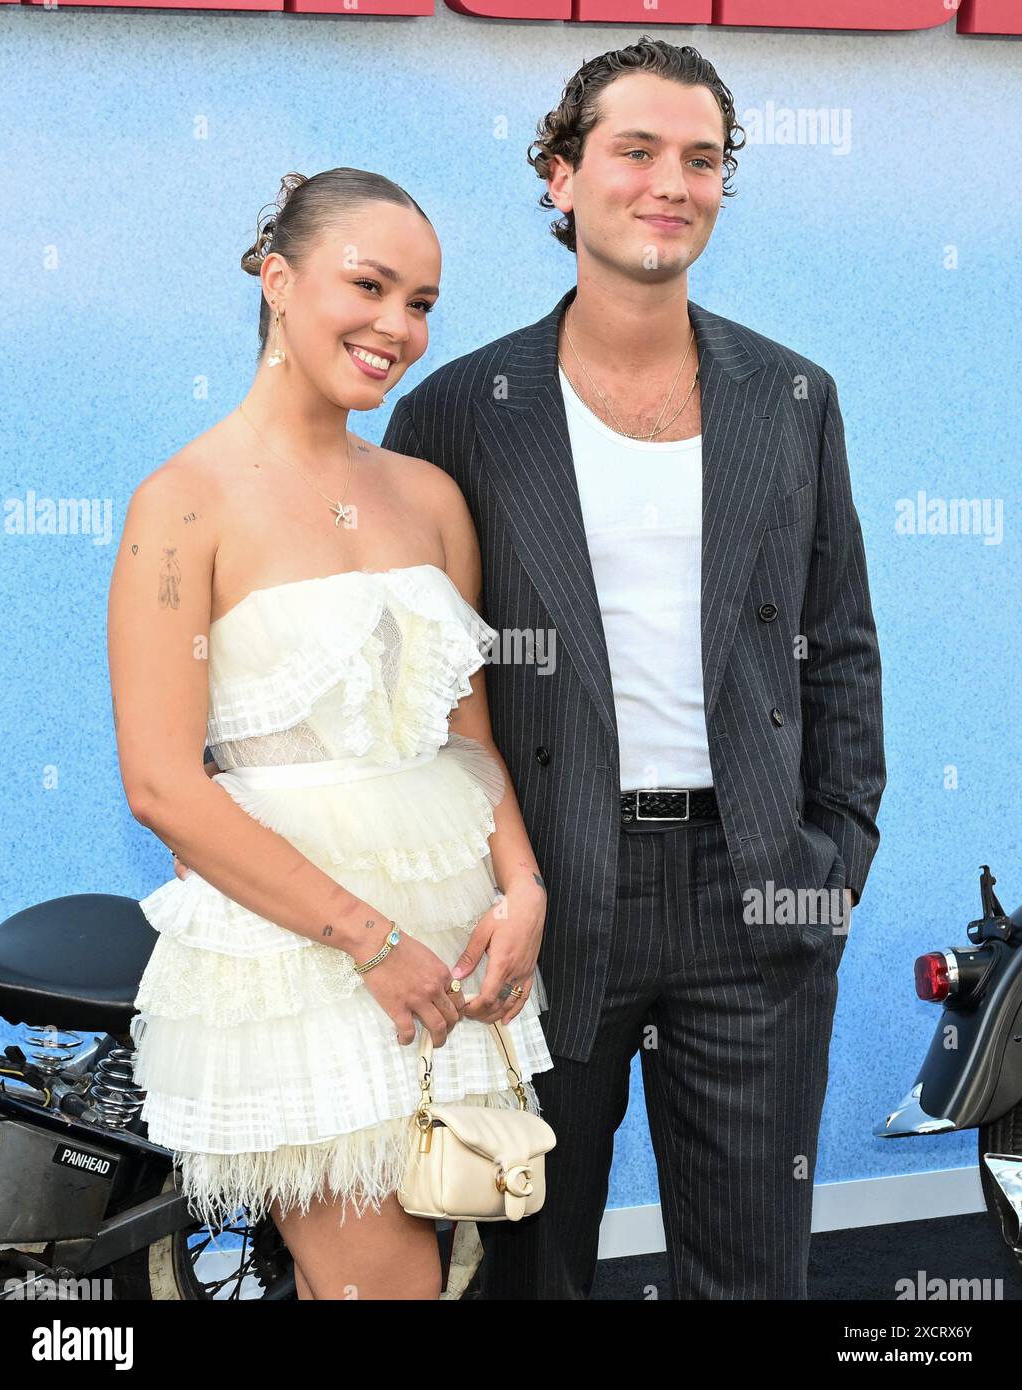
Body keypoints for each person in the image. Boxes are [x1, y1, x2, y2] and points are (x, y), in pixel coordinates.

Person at [380, 38, 886, 1299]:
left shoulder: (792, 397)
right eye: (635, 152)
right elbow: (415, 688)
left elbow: (841, 648)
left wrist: (830, 861)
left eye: (701, 159)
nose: (672, 182)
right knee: (528, 1267)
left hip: (753, 890)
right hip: (540, 893)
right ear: (559, 176)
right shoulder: (456, 410)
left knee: (752, 1273)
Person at [107, 168, 554, 1302]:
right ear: (277, 278)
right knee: (381, 1285)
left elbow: (469, 740)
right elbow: (162, 786)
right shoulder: (184, 502)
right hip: (301, 957)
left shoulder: (429, 494)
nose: (396, 328)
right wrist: (366, 939)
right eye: (369, 285)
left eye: (421, 303)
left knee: (423, 1272)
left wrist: (523, 881)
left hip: (451, 941)